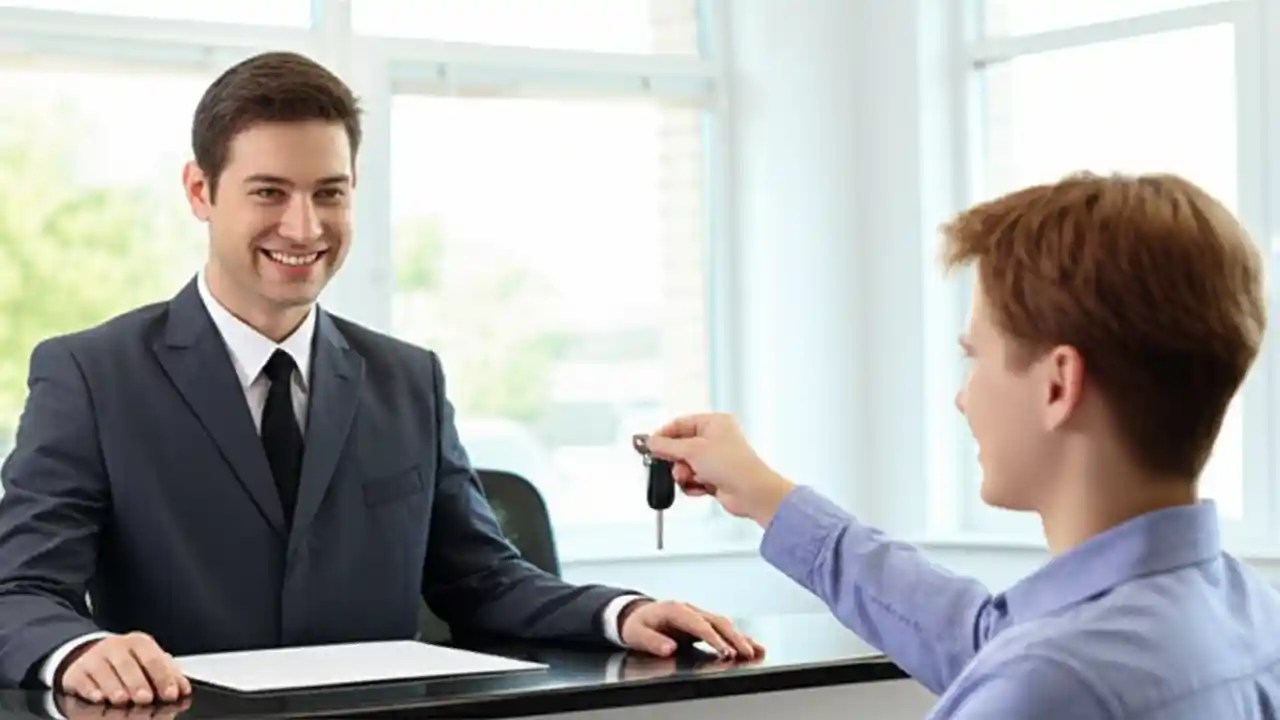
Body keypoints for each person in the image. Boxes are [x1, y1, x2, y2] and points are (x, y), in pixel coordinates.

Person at [0, 51, 761, 706]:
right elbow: (19, 593)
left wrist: (620, 615)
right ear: (200, 191)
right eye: (269, 192)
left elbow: (483, 580)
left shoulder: (408, 379)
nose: (304, 228)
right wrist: (76, 651)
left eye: (329, 191)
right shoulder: (91, 374)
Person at [646, 172, 1280, 718]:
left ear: (1058, 384)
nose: (964, 397)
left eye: (976, 358)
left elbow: (1028, 668)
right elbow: (990, 640)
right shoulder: (1252, 619)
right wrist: (766, 495)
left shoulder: (1050, 685)